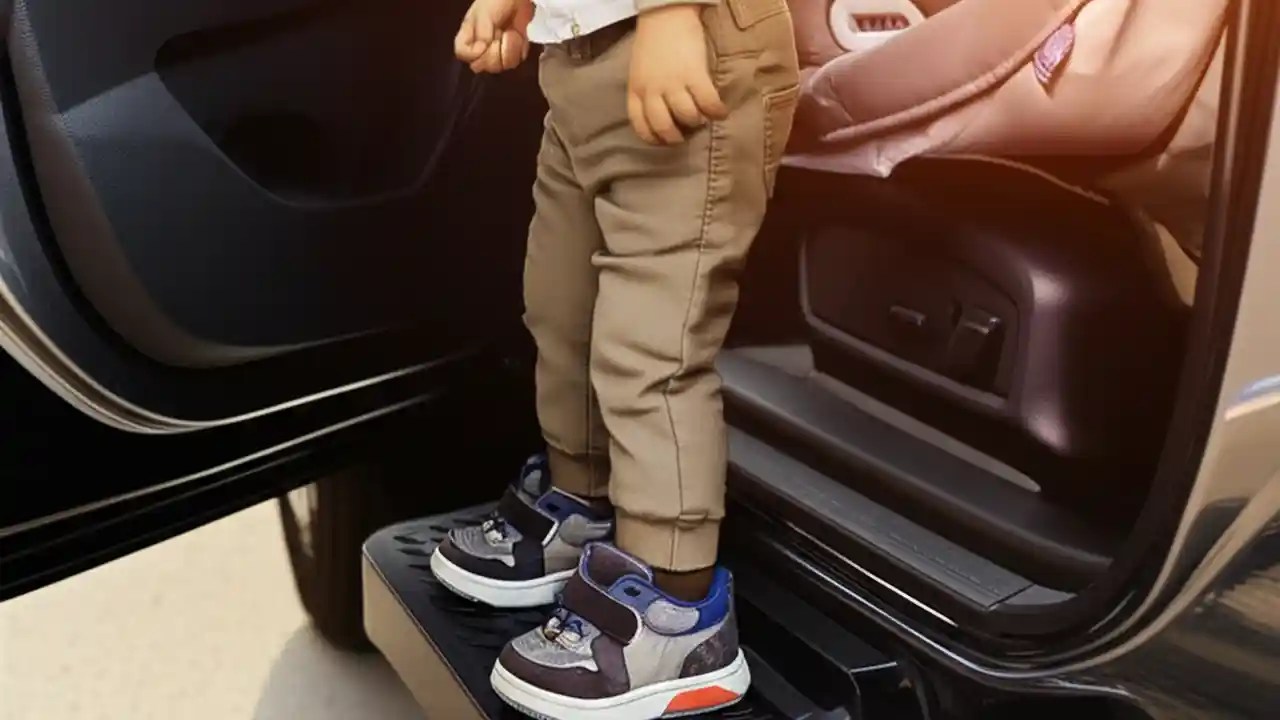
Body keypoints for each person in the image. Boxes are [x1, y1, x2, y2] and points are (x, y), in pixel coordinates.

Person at [430, 0, 798, 717]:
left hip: (688, 45)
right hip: (580, 58)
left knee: (651, 348)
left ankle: (678, 613)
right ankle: (585, 506)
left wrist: (666, 13)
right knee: (560, 307)